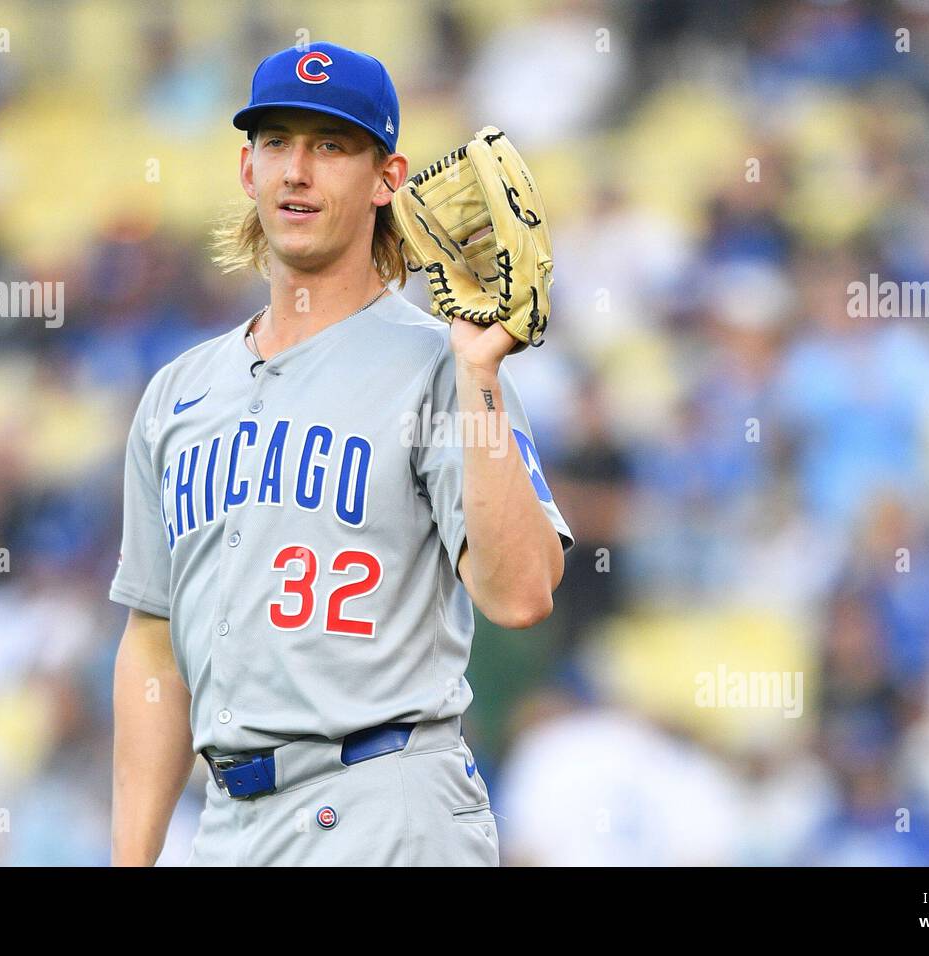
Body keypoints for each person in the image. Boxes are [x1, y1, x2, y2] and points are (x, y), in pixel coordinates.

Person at [109, 40, 573, 867]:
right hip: (228, 824)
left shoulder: (443, 363)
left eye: (331, 146)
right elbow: (154, 641)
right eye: (277, 142)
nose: (297, 170)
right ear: (246, 168)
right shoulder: (176, 394)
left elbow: (522, 593)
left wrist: (479, 374)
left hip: (385, 804)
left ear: (387, 179)